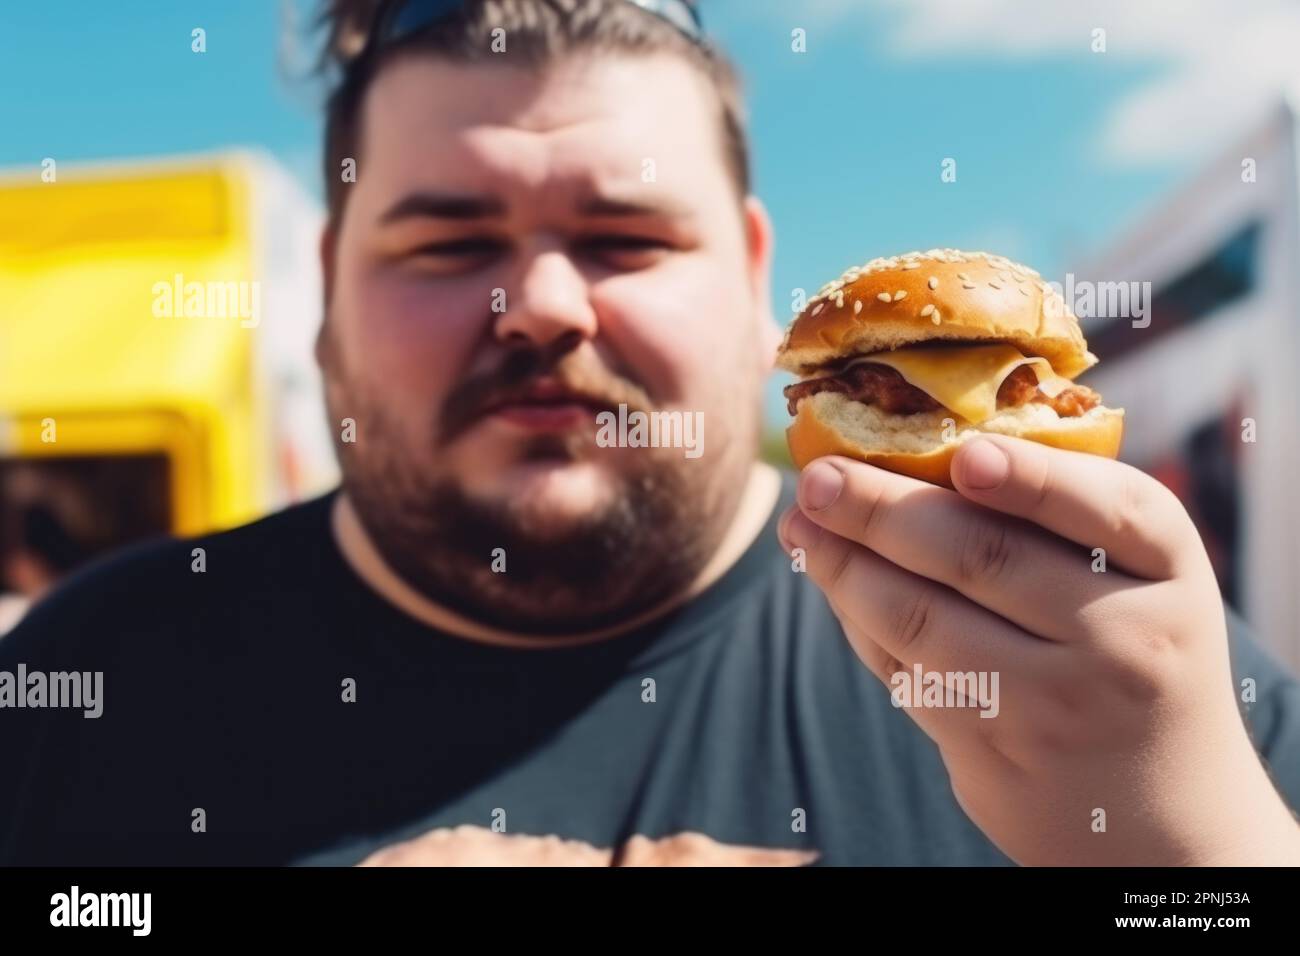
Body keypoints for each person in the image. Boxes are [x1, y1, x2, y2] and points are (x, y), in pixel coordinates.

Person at [2, 0, 1298, 867]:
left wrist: (1193, 863)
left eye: (626, 240)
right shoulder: (78, 694)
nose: (546, 306)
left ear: (750, 277)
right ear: (329, 285)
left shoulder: (1106, 670)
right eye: (449, 242)